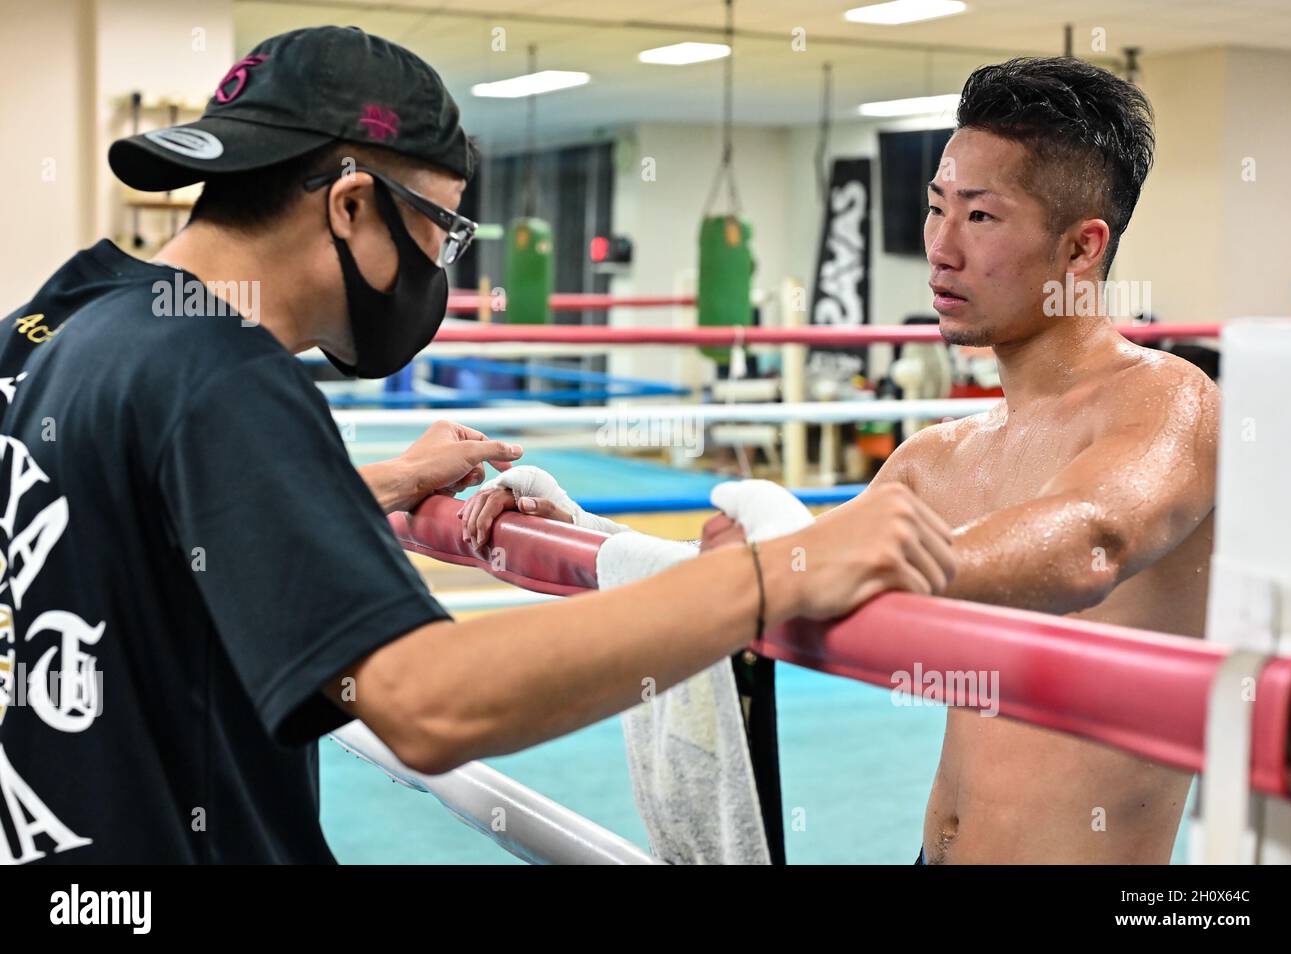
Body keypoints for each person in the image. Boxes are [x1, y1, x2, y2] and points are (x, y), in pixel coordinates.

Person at [0, 26, 955, 865]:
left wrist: (371, 484)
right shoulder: (225, 372)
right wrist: (774, 576)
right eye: (440, 229)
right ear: (349, 205)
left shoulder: (63, 326)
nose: (439, 267)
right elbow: (428, 705)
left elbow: (135, 519)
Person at [470, 57, 1219, 865]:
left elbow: (1089, 542)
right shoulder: (941, 457)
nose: (940, 248)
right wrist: (579, 534)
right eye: (936, 209)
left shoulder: (1170, 402)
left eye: (981, 218)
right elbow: (773, 574)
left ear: (1081, 248)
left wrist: (835, 564)